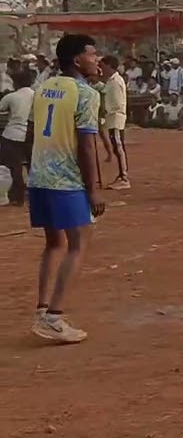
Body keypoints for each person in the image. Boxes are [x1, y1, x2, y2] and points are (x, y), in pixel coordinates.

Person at [24, 34, 106, 343]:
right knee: (78, 243)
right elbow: (86, 145)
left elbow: (32, 132)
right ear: (76, 59)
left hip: (40, 177)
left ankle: (42, 309)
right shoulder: (86, 94)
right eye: (92, 54)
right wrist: (93, 189)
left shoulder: (44, 88)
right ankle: (54, 317)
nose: (96, 60)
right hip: (66, 180)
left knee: (54, 243)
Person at [0, 68, 35, 206]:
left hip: (12, 134)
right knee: (32, 165)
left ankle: (16, 196)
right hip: (31, 134)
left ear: (16, 83)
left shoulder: (12, 96)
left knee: (12, 166)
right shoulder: (37, 95)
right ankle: (34, 194)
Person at [98, 56, 131, 190]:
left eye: (103, 66)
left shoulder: (116, 81)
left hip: (115, 117)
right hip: (112, 117)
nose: (101, 68)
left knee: (118, 146)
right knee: (117, 146)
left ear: (109, 66)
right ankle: (122, 175)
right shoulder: (111, 81)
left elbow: (117, 103)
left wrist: (105, 111)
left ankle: (124, 177)